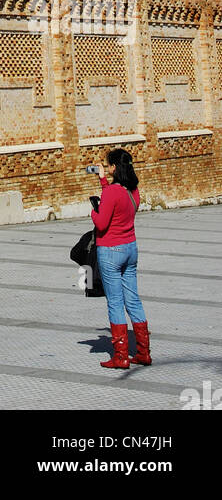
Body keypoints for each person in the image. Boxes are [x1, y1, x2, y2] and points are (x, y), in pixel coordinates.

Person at [90, 147, 151, 369]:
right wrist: (104, 183)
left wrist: (93, 212)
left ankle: (121, 356)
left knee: (115, 302)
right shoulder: (133, 191)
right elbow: (118, 202)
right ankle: (143, 352)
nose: (106, 168)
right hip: (130, 248)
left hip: (110, 251)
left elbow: (102, 223)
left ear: (115, 167)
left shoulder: (111, 193)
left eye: (108, 165)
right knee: (133, 300)